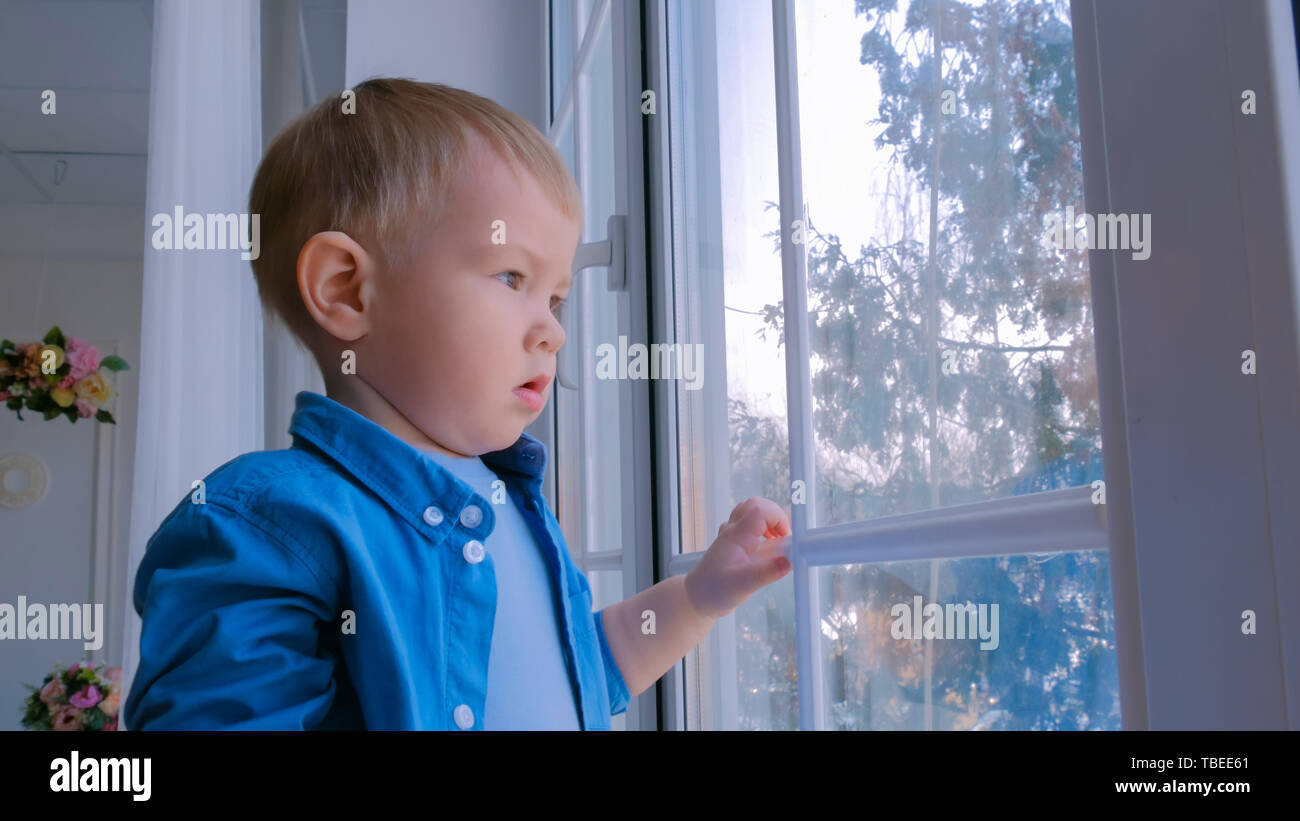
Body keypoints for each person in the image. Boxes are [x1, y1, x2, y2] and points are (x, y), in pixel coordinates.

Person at [124, 78, 792, 730]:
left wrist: (699, 597)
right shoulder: (270, 519)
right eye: (511, 277)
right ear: (346, 291)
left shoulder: (513, 503)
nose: (553, 329)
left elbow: (587, 672)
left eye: (556, 298)